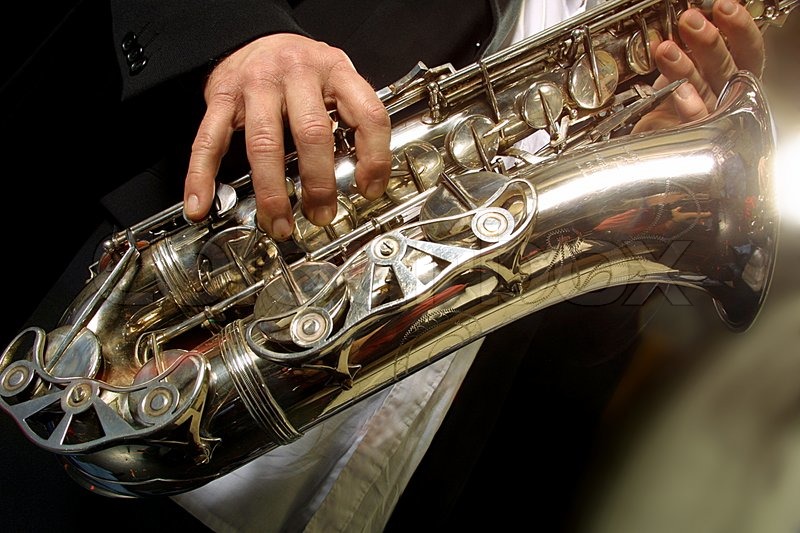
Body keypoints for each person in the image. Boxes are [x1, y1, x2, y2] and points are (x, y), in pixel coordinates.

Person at [0, 0, 765, 531]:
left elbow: (562, 371)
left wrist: (638, 205)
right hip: (123, 380)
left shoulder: (678, 50)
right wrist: (247, 35)